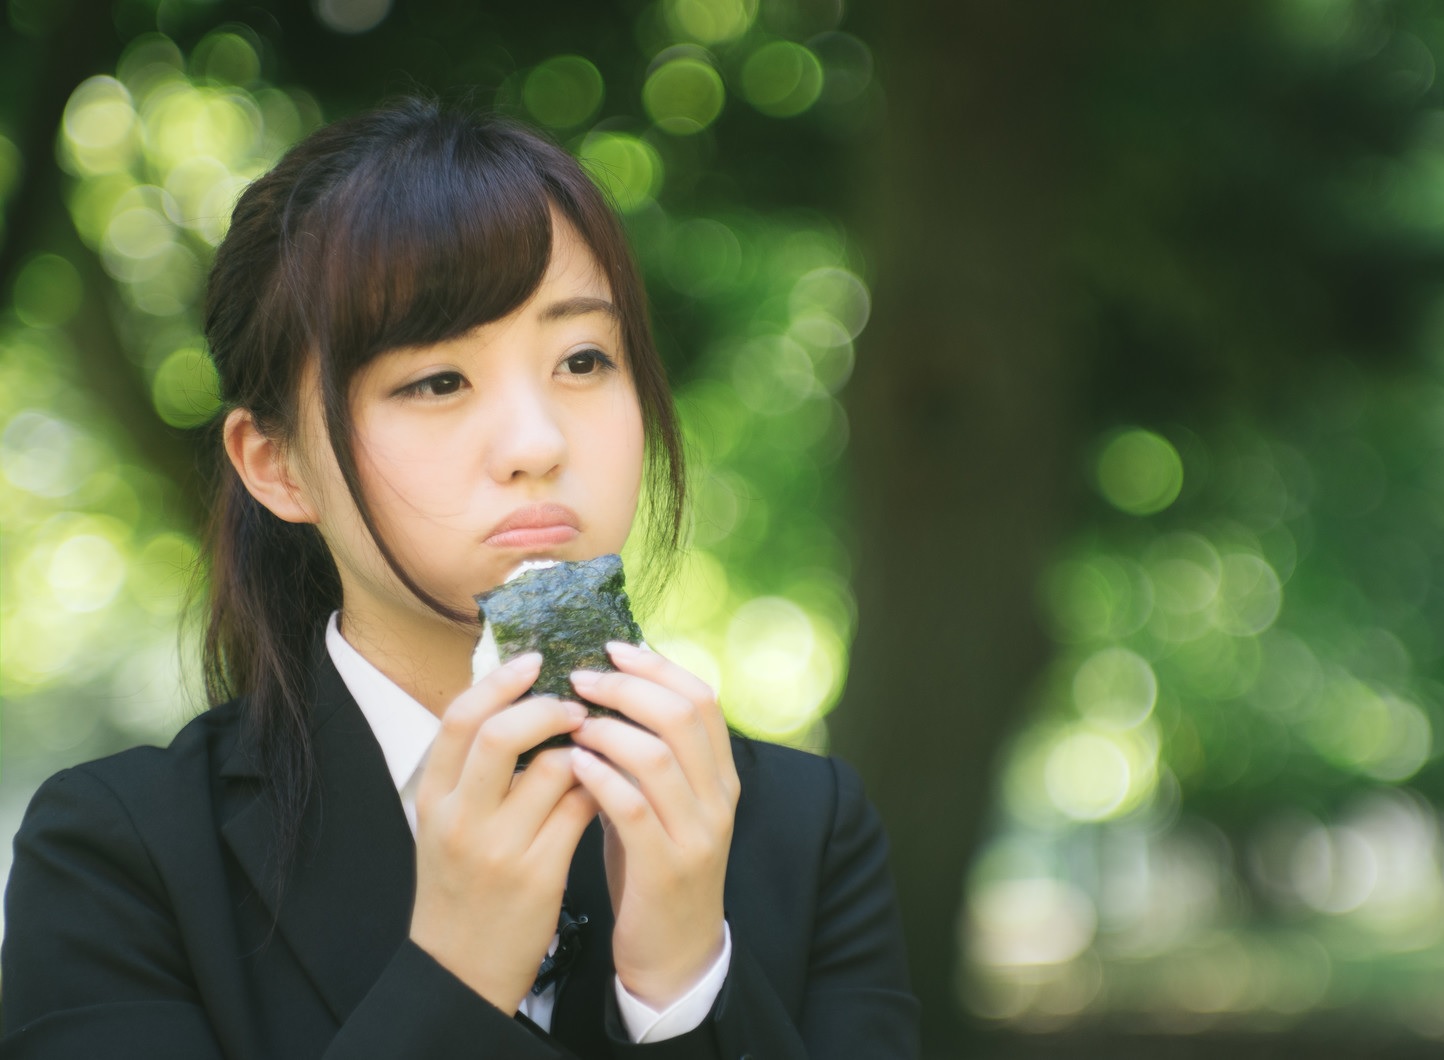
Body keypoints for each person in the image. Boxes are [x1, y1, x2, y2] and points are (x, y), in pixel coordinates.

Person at [0, 98, 919, 1058]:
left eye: (583, 359)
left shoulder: (806, 833)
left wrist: (682, 993)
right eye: (436, 381)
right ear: (277, 465)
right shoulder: (123, 856)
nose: (536, 442)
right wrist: (456, 979)